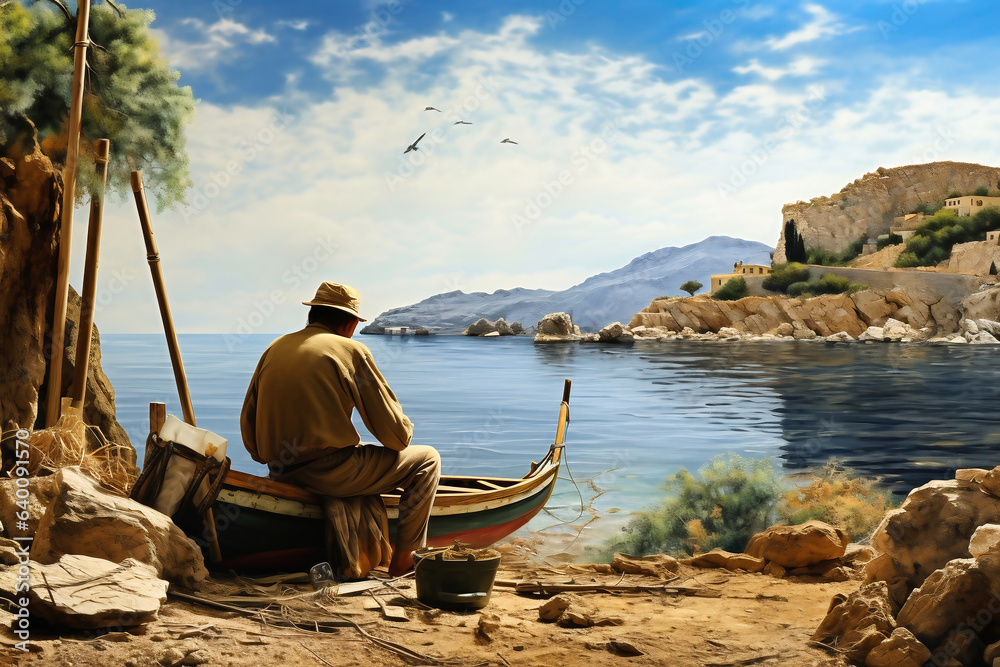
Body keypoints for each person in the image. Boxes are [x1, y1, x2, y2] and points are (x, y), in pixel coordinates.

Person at [240, 281, 440, 576]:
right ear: (349, 322)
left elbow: (249, 427)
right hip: (331, 473)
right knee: (428, 459)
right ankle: (404, 561)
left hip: (281, 470)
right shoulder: (351, 350)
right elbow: (396, 438)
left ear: (313, 314)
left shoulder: (276, 347)